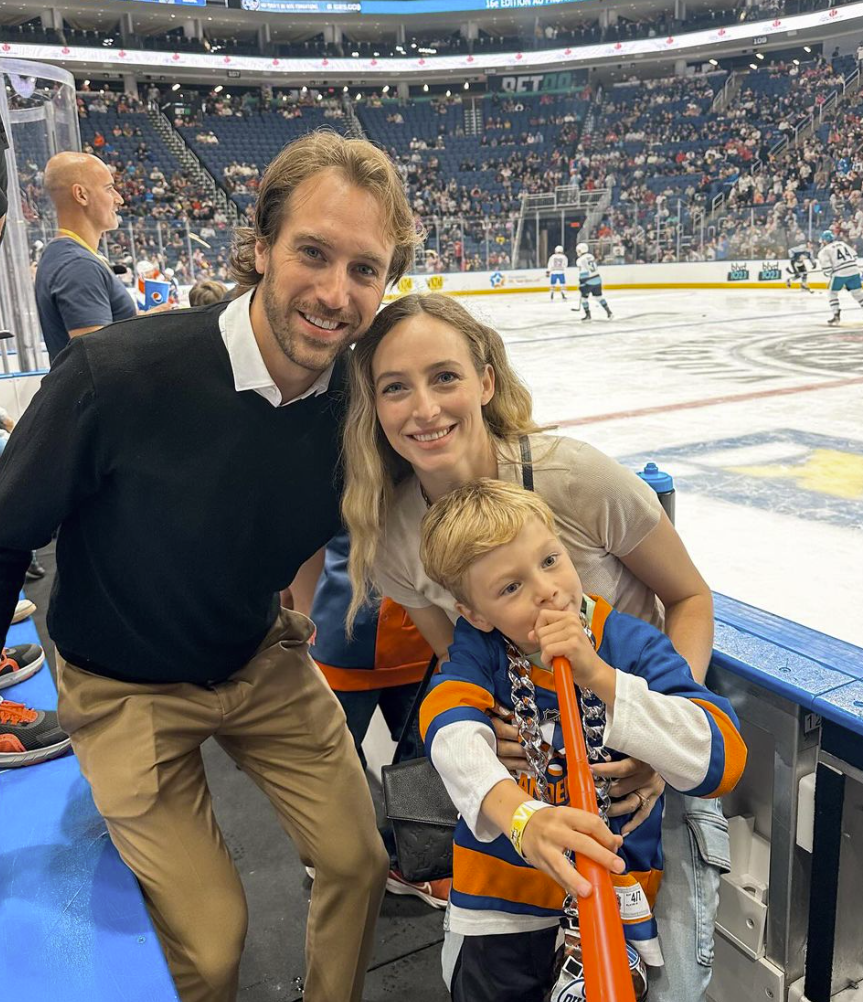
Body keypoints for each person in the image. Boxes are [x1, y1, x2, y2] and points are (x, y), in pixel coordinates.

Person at [0, 130, 417, 1002]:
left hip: (258, 655)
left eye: (365, 269)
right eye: (312, 252)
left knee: (359, 859)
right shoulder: (116, 375)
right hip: (124, 684)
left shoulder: (360, 405)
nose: (335, 293)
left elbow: (452, 495)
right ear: (259, 246)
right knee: (216, 940)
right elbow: (6, 532)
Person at [341, 292, 725, 1002]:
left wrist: (654, 758)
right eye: (395, 387)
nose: (423, 408)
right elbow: (464, 668)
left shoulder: (572, 479)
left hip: (645, 781)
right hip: (531, 807)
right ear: (373, 406)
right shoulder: (398, 535)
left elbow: (689, 598)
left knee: (656, 980)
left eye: (444, 377)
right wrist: (494, 740)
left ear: (485, 381)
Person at [419, 479, 746, 1001]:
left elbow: (720, 757)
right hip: (498, 908)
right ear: (477, 614)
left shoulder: (631, 645)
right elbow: (448, 727)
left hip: (613, 910)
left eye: (550, 561)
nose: (546, 590)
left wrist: (601, 677)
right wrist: (522, 819)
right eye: (510, 588)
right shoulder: (479, 652)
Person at [309, 528, 448, 907]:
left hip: (425, 633)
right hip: (347, 628)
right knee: (334, 757)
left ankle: (417, 863)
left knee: (428, 750)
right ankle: (335, 851)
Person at [34, 152, 137, 363]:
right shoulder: (79, 266)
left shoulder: (62, 254)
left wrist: (151, 322)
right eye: (109, 189)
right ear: (81, 195)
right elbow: (99, 361)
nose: (119, 199)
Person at [817, 229, 863, 325]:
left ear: (824, 240)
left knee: (832, 293)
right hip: (854, 270)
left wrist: (829, 272)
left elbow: (827, 269)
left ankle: (836, 315)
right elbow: (854, 256)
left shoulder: (824, 251)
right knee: (857, 294)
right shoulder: (842, 244)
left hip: (840, 273)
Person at [571, 241, 613, 321]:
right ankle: (609, 312)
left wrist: (582, 284)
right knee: (599, 297)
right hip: (597, 279)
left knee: (584, 298)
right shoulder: (591, 256)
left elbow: (583, 273)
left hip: (588, 281)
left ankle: (588, 315)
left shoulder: (580, 260)